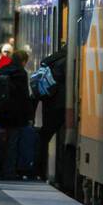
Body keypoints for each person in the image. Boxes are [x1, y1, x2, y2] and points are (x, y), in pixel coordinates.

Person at [0, 49, 34, 179]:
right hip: (15, 115)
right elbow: (24, 96)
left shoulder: (1, 71)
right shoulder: (21, 73)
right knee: (12, 143)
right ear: (23, 61)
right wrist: (29, 116)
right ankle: (9, 172)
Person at [33, 48, 67, 185]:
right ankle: (59, 175)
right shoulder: (67, 61)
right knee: (61, 140)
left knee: (44, 137)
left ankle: (38, 170)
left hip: (48, 103)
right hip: (61, 105)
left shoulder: (50, 60)